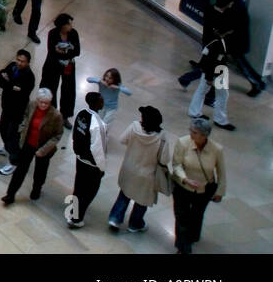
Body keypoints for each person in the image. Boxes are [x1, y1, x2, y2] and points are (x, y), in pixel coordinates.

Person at [1, 87, 64, 205]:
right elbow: (25, 116)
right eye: (41, 102)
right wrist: (22, 128)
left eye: (47, 102)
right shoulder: (32, 105)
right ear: (37, 100)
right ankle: (10, 195)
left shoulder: (56, 115)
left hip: (43, 147)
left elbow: (57, 135)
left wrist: (43, 150)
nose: (44, 104)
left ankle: (37, 189)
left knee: (40, 171)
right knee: (20, 170)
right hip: (28, 143)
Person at [170, 117, 225, 253]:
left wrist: (220, 192)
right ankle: (183, 247)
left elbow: (221, 172)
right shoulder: (183, 143)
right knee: (181, 216)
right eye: (191, 130)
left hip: (203, 190)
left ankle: (192, 236)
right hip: (183, 187)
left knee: (196, 215)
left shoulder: (216, 150)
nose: (190, 133)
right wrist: (185, 179)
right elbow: (176, 165)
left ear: (204, 135)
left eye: (194, 132)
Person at [109, 105, 167, 233]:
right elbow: (164, 159)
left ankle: (115, 218)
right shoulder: (161, 137)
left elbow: (122, 140)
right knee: (142, 200)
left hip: (129, 168)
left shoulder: (134, 127)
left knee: (124, 194)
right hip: (147, 175)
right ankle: (135, 224)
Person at [0, 49, 35, 174]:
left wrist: (8, 82)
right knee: (3, 128)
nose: (19, 63)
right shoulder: (12, 66)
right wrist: (9, 84)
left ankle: (13, 162)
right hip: (6, 106)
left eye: (23, 61)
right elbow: (0, 78)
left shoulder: (29, 77)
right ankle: (6, 148)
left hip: (17, 111)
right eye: (18, 59)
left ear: (28, 62)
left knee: (13, 135)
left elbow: (20, 92)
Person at [68, 91, 107, 227]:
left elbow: (75, 134)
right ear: (96, 103)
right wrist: (101, 169)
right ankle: (76, 219)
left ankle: (72, 212)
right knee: (89, 191)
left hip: (80, 159)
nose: (103, 102)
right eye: (101, 100)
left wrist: (77, 151)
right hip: (91, 164)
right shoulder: (99, 125)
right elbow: (99, 149)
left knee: (79, 187)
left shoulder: (81, 114)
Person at [40, 13, 81, 123]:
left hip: (68, 65)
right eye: (69, 24)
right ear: (62, 25)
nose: (71, 26)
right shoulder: (52, 33)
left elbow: (77, 51)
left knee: (68, 89)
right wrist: (67, 51)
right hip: (53, 64)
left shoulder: (73, 33)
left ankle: (65, 116)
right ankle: (51, 113)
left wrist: (63, 51)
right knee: (50, 87)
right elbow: (52, 51)